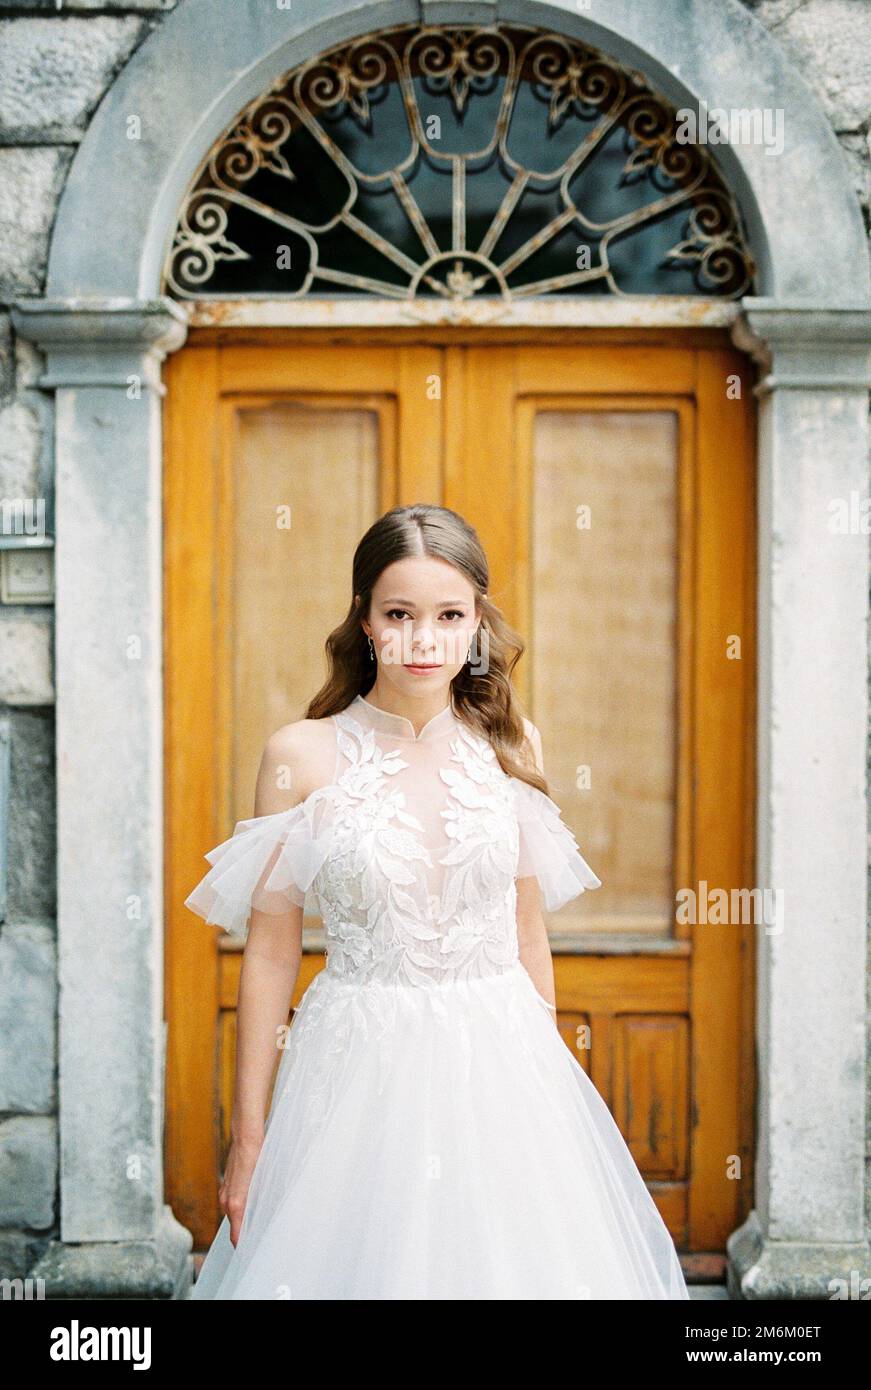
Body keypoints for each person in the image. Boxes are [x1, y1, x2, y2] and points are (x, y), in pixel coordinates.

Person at [184, 503, 690, 1300]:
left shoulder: (512, 743)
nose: (424, 641)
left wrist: (551, 1101)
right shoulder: (299, 755)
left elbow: (528, 936)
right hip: (354, 1068)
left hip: (499, 1061)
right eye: (399, 615)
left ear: (477, 622)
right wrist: (248, 1141)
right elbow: (272, 953)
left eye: (449, 615)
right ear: (364, 621)